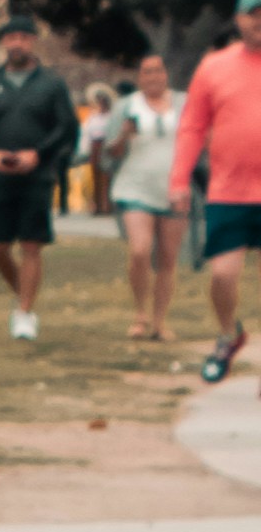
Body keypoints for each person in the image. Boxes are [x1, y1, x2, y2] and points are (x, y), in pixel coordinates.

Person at [0, 31, 77, 339]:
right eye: (10, 38)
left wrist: (39, 154)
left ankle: (24, 312)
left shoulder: (51, 84)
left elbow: (65, 126)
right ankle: (24, 293)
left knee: (31, 243)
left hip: (36, 175)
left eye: (23, 38)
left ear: (32, 41)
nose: (17, 44)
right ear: (3, 43)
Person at [181, 0, 261, 385]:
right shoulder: (214, 67)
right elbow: (193, 126)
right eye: (254, 13)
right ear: (239, 20)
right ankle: (229, 334)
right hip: (229, 189)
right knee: (223, 276)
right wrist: (180, 179)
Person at [100, 53, 183, 350]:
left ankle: (160, 321)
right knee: (140, 250)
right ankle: (140, 314)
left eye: (158, 71)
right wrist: (123, 136)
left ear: (166, 74)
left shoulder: (184, 104)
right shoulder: (126, 107)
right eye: (146, 72)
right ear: (139, 78)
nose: (153, 77)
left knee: (168, 258)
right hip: (134, 186)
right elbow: (111, 154)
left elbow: (197, 139)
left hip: (174, 189)